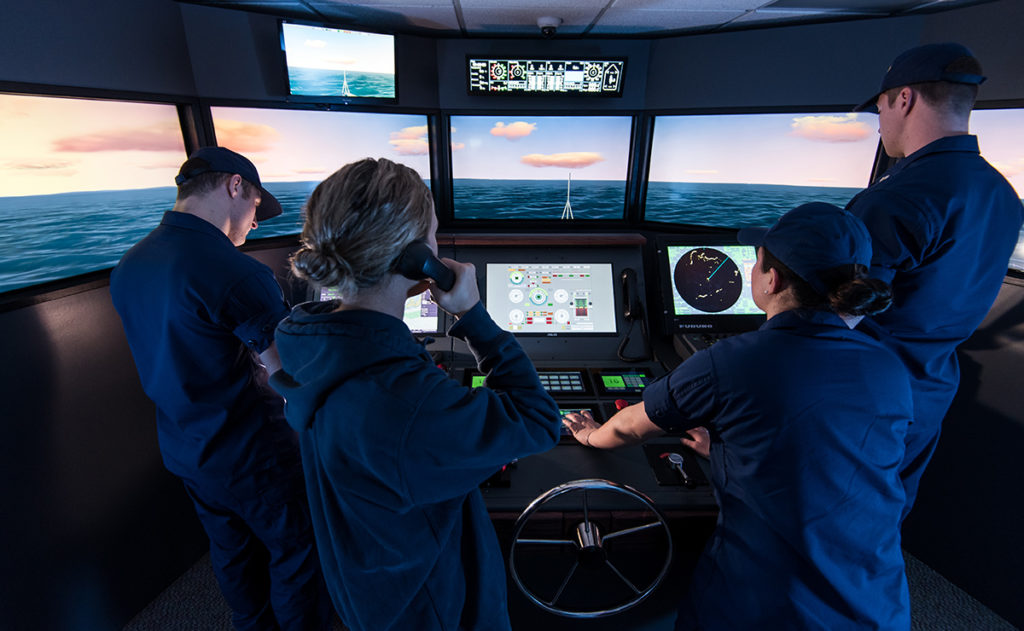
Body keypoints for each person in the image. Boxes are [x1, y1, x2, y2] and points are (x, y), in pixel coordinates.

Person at [563, 203, 913, 630]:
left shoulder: (732, 362)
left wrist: (591, 434)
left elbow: (631, 425)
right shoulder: (889, 366)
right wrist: (736, 450)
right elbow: (832, 448)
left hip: (765, 605)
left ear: (771, 279)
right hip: (876, 604)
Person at [270, 157, 561, 631]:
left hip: (369, 589)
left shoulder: (305, 340)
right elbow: (538, 418)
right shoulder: (406, 403)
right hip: (430, 609)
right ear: (416, 259)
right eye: (432, 234)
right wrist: (473, 317)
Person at [110, 147, 331, 631]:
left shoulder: (131, 263)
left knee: (232, 553)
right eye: (255, 208)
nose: (254, 225)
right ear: (235, 186)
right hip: (256, 454)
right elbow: (286, 376)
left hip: (187, 448)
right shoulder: (236, 271)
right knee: (296, 553)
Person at [847, 42, 1024, 519]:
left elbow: (839, 316)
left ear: (903, 99)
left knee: (829, 519)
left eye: (879, 108)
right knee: (883, 517)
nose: (880, 123)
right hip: (930, 387)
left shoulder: (898, 198)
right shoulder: (1001, 193)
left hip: (862, 394)